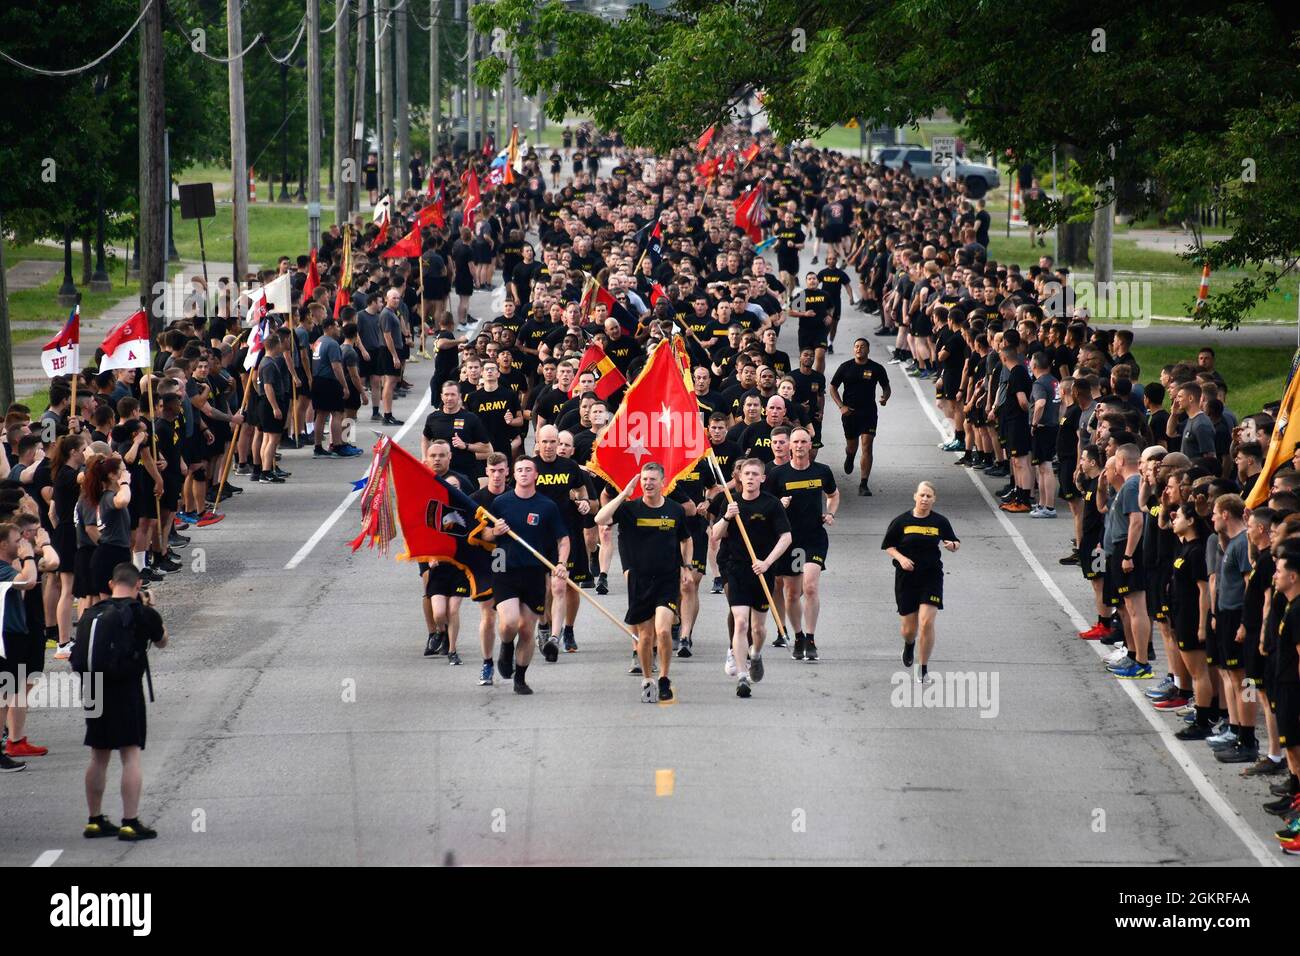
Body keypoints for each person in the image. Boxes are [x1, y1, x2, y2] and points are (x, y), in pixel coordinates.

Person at [74, 562, 167, 840]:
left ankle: (94, 819)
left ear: (112, 584)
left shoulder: (92, 613)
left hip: (93, 687)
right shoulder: (141, 613)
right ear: (138, 585)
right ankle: (130, 820)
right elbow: (162, 641)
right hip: (124, 688)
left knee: (98, 754)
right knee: (130, 754)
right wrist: (149, 607)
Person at [596, 463, 691, 703]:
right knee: (645, 637)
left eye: (652, 479)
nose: (648, 483)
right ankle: (648, 678)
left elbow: (686, 540)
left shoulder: (675, 510)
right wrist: (623, 495)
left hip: (667, 579)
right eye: (644, 479)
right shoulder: (629, 509)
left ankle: (665, 678)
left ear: (663, 482)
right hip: (639, 581)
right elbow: (600, 517)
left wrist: (686, 566)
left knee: (663, 630)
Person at [711, 458, 791, 698]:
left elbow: (786, 537)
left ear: (762, 478)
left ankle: (755, 654)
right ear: (740, 477)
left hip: (762, 570)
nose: (750, 478)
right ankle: (742, 676)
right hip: (736, 569)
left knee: (758, 628)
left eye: (755, 474)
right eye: (747, 474)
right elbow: (714, 536)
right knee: (741, 622)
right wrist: (726, 517)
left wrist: (767, 562)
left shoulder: (771, 504)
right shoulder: (730, 502)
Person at [489, 458, 569, 695]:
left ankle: (520, 678)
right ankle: (505, 647)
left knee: (526, 629)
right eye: (519, 470)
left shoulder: (547, 506)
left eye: (528, 470)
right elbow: (482, 533)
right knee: (510, 621)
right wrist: (494, 531)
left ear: (535, 475)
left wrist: (561, 563)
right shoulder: (500, 503)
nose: (523, 473)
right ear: (513, 475)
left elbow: (563, 539)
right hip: (503, 566)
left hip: (534, 570)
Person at [768, 426, 838, 661]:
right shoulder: (778, 474)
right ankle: (797, 636)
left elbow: (833, 494)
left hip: (814, 538)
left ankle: (810, 638)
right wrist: (780, 504)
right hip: (789, 540)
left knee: (810, 587)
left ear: (811, 446)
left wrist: (830, 513)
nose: (799, 446)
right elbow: (766, 504)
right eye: (795, 442)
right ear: (789, 446)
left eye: (803, 442)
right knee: (791, 593)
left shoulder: (822, 471)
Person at [881, 481, 960, 684]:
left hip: (931, 576)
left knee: (927, 622)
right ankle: (909, 644)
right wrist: (901, 558)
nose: (925, 499)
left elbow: (954, 542)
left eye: (929, 496)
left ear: (934, 499)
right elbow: (888, 546)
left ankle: (923, 668)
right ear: (915, 496)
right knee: (909, 629)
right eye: (922, 495)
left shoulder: (940, 521)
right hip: (906, 578)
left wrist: (952, 545)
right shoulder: (901, 521)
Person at [0, 521, 42, 771]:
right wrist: (28, 556)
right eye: (17, 541)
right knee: (4, 696)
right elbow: (29, 582)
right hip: (6, 637)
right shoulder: (3, 570)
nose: (21, 544)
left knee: (6, 694)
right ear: (3, 544)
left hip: (12, 634)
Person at [829, 337, 890, 496]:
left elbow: (886, 387)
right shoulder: (845, 367)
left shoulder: (876, 368)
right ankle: (850, 456)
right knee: (852, 446)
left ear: (868, 350)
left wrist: (885, 397)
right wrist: (841, 406)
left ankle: (863, 484)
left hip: (868, 412)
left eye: (862, 346)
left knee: (867, 445)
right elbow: (833, 387)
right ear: (853, 349)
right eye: (856, 346)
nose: (859, 349)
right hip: (850, 412)